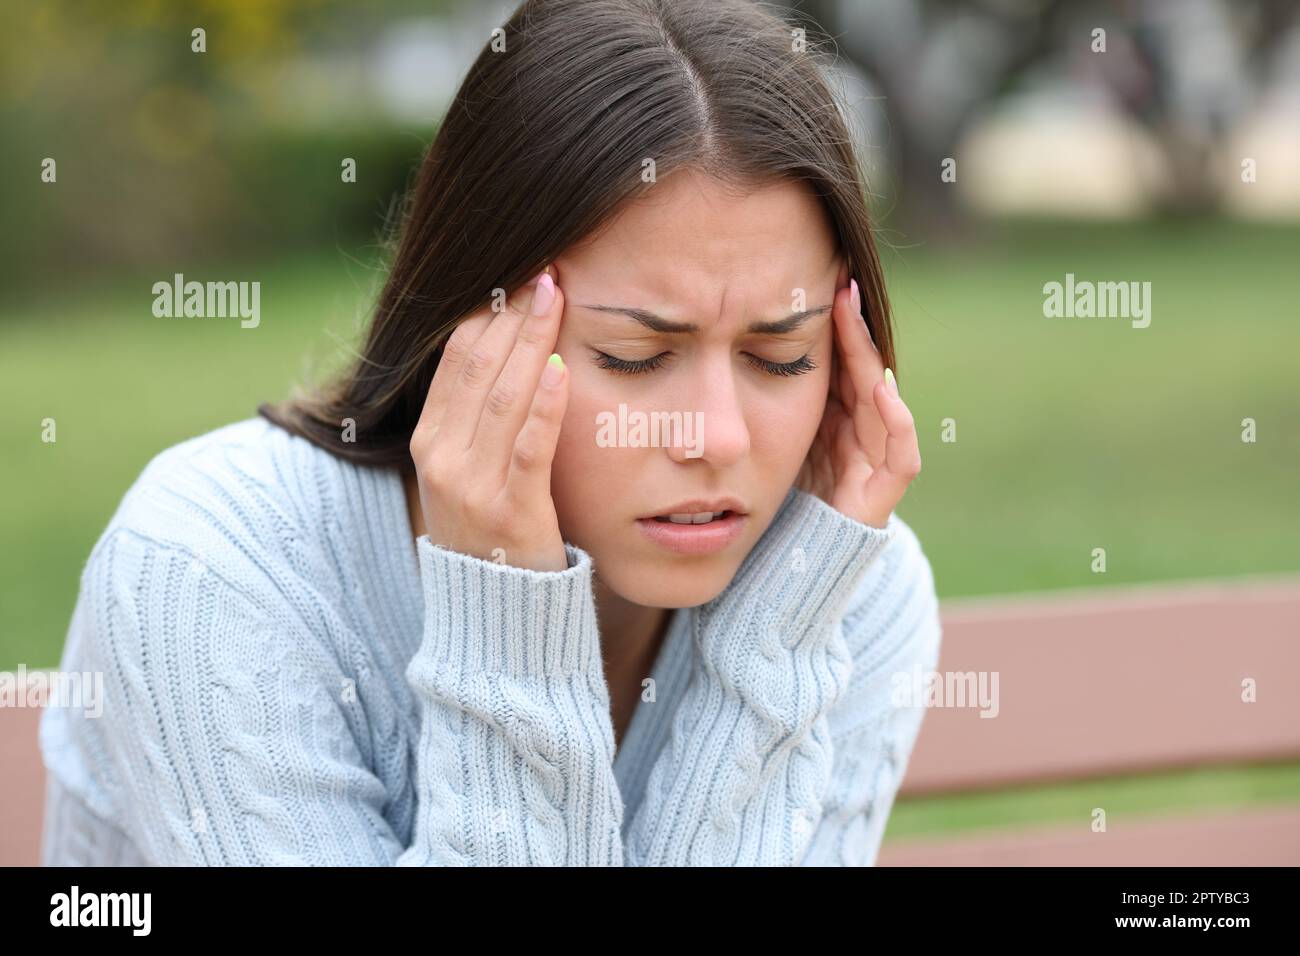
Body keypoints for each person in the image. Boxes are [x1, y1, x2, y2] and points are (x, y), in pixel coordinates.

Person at [39, 0, 940, 866]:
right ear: (472, 330)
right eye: (632, 355)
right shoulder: (216, 570)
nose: (717, 437)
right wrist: (504, 609)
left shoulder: (845, 597)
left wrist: (775, 644)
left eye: (781, 356)